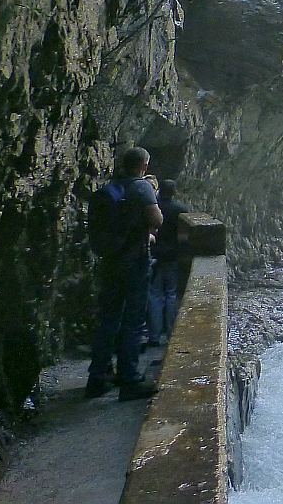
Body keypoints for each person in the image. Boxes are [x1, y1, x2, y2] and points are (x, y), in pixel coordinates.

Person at [85, 146, 163, 400]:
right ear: (144, 165)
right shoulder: (142, 187)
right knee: (133, 321)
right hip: (135, 261)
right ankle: (129, 378)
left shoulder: (111, 187)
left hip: (110, 261)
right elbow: (157, 220)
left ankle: (97, 378)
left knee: (108, 319)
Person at [147, 179, 189, 348]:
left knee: (155, 294)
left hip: (155, 255)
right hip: (173, 256)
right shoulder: (180, 210)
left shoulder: (153, 208)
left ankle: (154, 335)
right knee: (171, 294)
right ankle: (172, 333)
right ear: (174, 192)